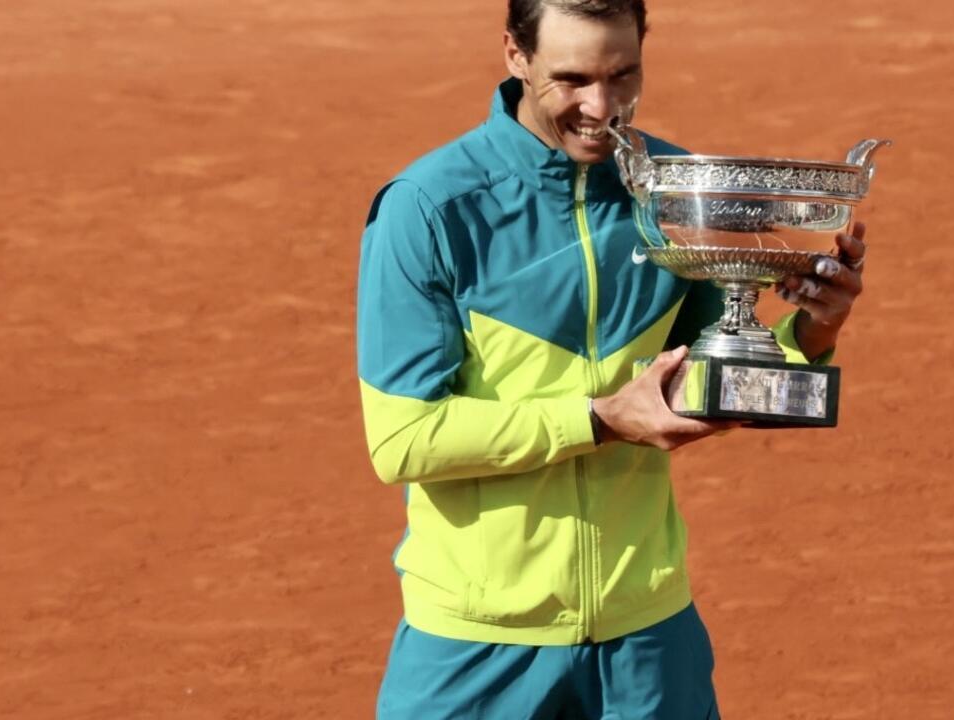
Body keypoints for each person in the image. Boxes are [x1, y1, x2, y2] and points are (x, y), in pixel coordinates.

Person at [355, 1, 867, 717]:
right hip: (476, 646)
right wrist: (598, 419)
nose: (602, 107)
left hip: (648, 637)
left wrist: (812, 332)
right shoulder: (431, 209)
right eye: (572, 79)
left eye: (623, 74)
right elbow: (403, 439)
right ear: (514, 55)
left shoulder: (677, 190)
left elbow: (708, 380)